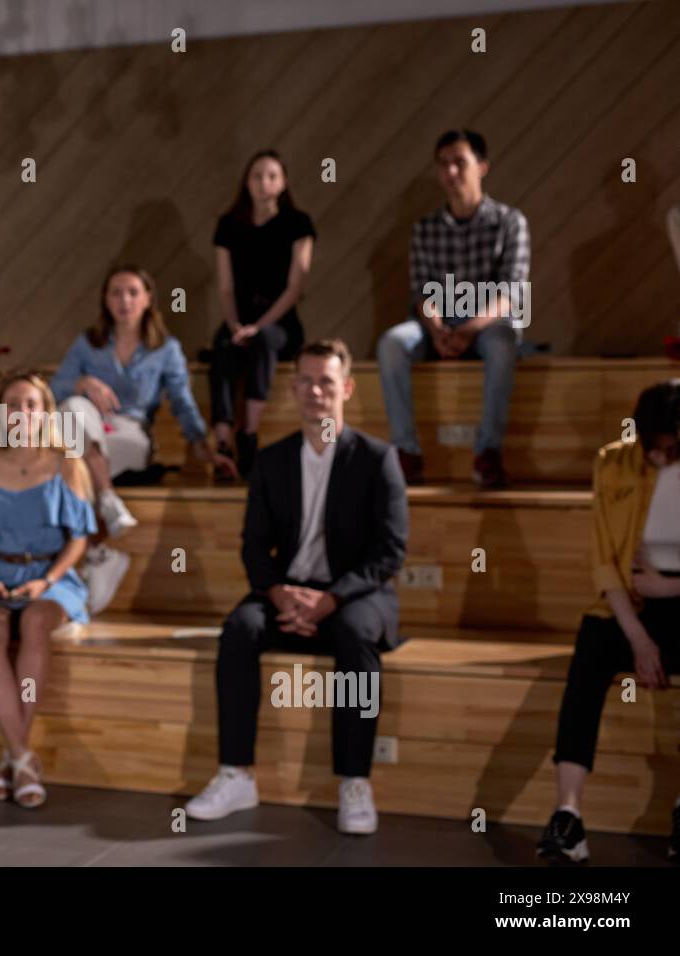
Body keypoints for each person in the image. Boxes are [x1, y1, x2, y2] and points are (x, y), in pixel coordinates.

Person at [186, 339, 409, 835]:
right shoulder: (272, 459)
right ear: (292, 389)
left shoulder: (377, 459)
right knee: (240, 628)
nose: (315, 391)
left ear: (346, 389)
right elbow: (252, 546)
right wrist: (278, 593)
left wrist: (331, 598)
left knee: (355, 636)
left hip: (355, 594)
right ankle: (236, 773)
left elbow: (390, 553)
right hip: (288, 591)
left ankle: (354, 781)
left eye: (326, 381)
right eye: (305, 381)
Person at [538, 380, 680, 864]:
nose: (661, 458)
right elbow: (605, 563)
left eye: (672, 449)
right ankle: (567, 816)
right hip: (629, 603)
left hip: (674, 592)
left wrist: (671, 587)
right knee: (589, 655)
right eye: (654, 447)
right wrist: (639, 640)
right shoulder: (613, 462)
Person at [50, 265, 237, 613]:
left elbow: (181, 400)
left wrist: (200, 444)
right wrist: (84, 384)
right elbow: (53, 388)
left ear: (148, 299)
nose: (124, 300)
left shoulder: (165, 348)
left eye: (133, 292)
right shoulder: (87, 343)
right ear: (105, 300)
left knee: (68, 464)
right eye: (116, 293)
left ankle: (96, 551)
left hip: (131, 434)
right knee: (72, 408)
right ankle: (107, 505)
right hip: (88, 425)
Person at [0, 370, 97, 809]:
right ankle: (20, 757)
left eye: (31, 404)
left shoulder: (66, 463)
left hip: (51, 578)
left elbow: (79, 539)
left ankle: (13, 757)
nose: (21, 412)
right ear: (0, 411)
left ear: (45, 412)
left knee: (36, 623)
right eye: (13, 403)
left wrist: (46, 581)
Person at [376, 129, 530, 488]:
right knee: (392, 343)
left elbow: (511, 292)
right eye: (443, 164)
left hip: (489, 323)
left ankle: (487, 451)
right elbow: (420, 292)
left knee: (504, 342)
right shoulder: (425, 229)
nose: (451, 172)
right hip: (437, 323)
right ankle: (406, 451)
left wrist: (468, 329)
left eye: (460, 162)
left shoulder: (509, 222)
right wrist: (438, 330)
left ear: (482, 167)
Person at [209, 149, 316, 480]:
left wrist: (258, 326)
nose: (263, 183)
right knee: (223, 346)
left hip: (278, 321)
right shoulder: (229, 225)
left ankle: (250, 434)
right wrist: (234, 324)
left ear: (283, 183)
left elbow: (295, 287)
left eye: (271, 176)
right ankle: (224, 442)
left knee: (265, 342)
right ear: (246, 182)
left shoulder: (298, 223)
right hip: (239, 319)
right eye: (256, 176)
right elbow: (225, 287)